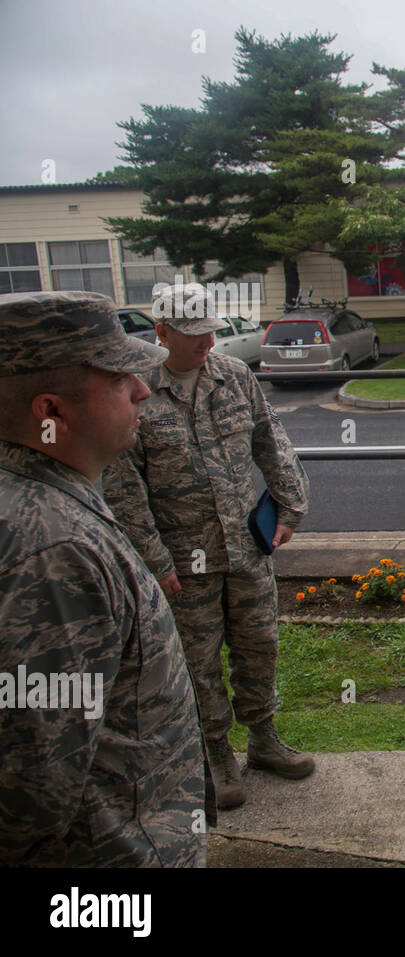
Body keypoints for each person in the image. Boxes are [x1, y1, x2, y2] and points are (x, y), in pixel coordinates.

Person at [0, 291, 207, 866]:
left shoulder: (43, 497)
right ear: (52, 413)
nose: (143, 389)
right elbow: (28, 790)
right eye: (119, 379)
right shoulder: (52, 547)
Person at [103, 287, 312, 811]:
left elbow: (270, 438)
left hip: (246, 545)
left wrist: (290, 506)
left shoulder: (233, 376)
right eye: (194, 335)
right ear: (163, 332)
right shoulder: (137, 388)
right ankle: (215, 751)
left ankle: (264, 738)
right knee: (198, 660)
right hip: (182, 560)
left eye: (211, 333)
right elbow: (124, 486)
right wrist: (154, 559)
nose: (206, 343)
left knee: (259, 644)